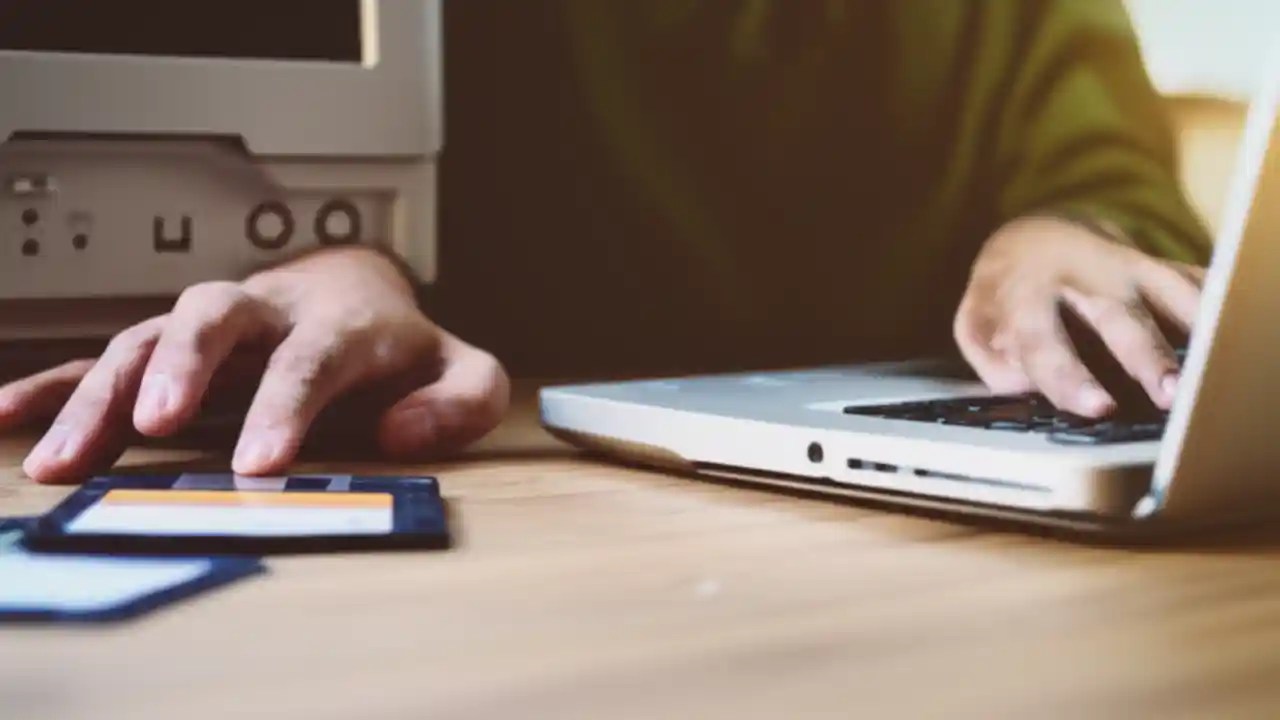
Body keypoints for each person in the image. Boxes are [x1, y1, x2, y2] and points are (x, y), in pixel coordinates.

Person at [0, 0, 1212, 484]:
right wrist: (352, 250)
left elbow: (1116, 190)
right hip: (534, 515)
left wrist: (1063, 232)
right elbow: (393, 255)